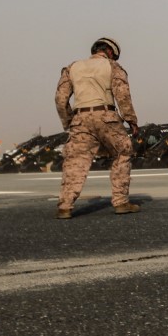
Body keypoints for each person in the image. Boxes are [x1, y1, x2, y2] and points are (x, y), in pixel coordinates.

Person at [53, 37, 141, 219]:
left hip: (80, 118)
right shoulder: (113, 66)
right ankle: (121, 202)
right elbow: (122, 95)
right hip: (106, 116)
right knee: (122, 152)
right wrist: (131, 119)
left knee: (75, 161)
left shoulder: (72, 67)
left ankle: (65, 207)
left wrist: (69, 121)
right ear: (109, 52)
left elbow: (60, 99)